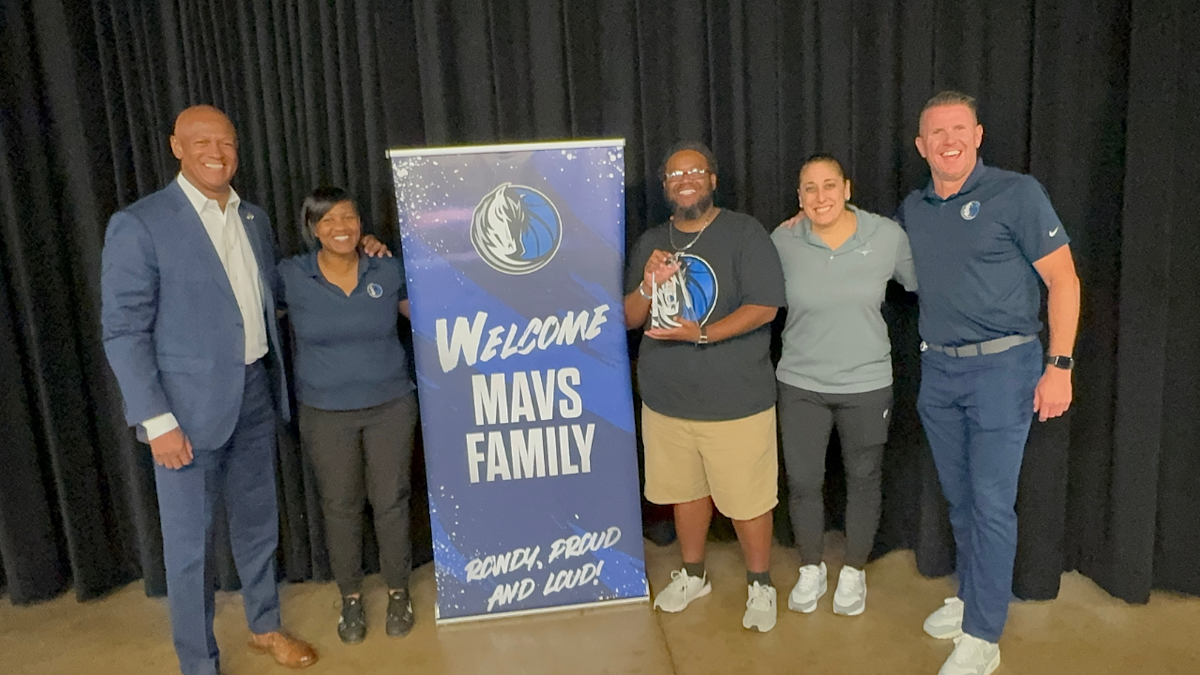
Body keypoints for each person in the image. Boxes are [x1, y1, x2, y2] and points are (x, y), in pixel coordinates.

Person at [100, 105, 386, 675]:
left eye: (226, 142)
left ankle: (264, 627)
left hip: (255, 392)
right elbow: (123, 329)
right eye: (201, 141)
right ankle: (198, 662)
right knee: (189, 551)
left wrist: (361, 247)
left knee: (258, 527)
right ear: (176, 147)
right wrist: (156, 420)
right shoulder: (141, 223)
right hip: (184, 412)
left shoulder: (252, 218)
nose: (216, 152)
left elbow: (285, 288)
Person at [899, 91, 1080, 675]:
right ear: (922, 146)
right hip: (939, 370)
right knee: (960, 500)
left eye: (959, 129)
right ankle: (974, 595)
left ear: (976, 134)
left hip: (1004, 369)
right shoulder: (915, 208)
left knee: (993, 502)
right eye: (936, 133)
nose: (948, 140)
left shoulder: (1016, 193)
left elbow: (1065, 282)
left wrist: (1060, 366)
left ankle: (984, 632)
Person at [625, 141, 786, 632]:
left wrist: (701, 332)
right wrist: (650, 283)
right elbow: (629, 317)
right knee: (684, 493)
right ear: (666, 186)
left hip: (736, 400)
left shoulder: (744, 232)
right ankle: (694, 574)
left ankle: (760, 583)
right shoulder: (651, 241)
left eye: (696, 171)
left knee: (748, 500)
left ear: (713, 181)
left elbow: (766, 305)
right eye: (675, 174)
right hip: (667, 401)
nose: (686, 179)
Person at [772, 154, 917, 617]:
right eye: (809, 189)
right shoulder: (783, 239)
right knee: (803, 481)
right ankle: (811, 567)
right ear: (799, 197)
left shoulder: (887, 237)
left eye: (829, 185)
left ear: (847, 188)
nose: (820, 197)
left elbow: (927, 286)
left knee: (863, 478)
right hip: (800, 384)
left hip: (867, 385)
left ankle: (853, 571)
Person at [278, 187, 418, 644]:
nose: (341, 227)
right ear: (313, 229)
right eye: (329, 220)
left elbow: (426, 315)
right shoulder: (292, 276)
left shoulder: (386, 268)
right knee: (340, 508)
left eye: (349, 217)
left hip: (390, 406)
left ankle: (399, 590)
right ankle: (352, 598)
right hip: (325, 414)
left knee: (392, 500)